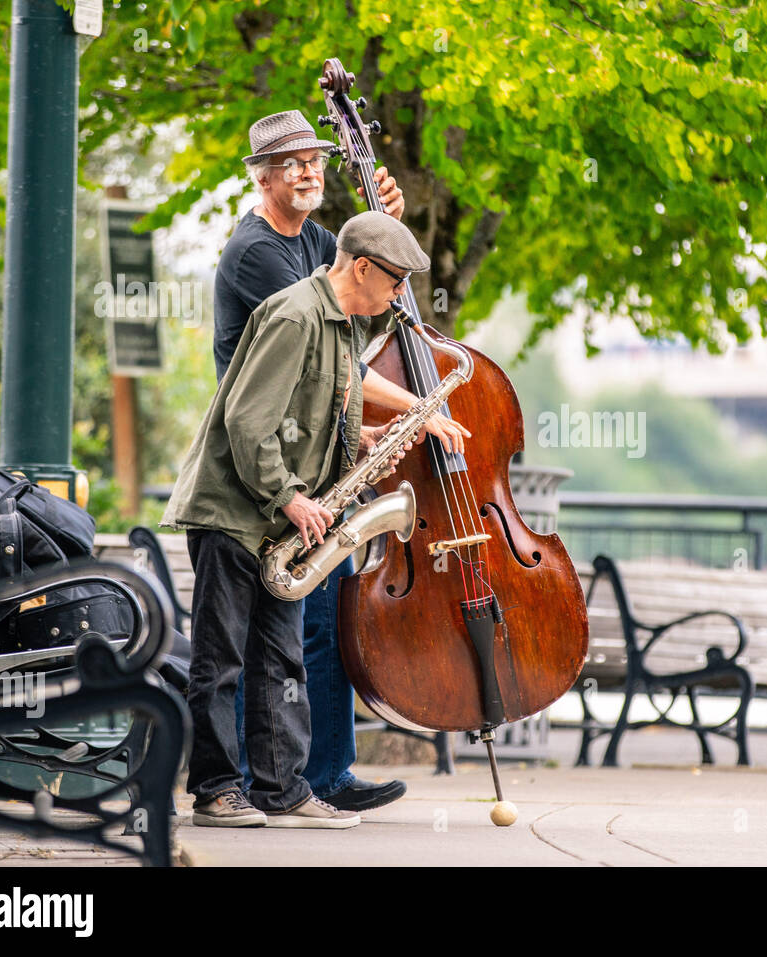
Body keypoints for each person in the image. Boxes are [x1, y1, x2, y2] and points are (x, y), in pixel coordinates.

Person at [162, 211, 457, 826]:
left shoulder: (345, 327)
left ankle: (283, 791)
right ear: (363, 267)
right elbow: (247, 421)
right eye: (397, 280)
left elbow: (311, 414)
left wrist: (367, 438)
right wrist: (291, 497)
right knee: (222, 659)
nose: (401, 294)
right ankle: (216, 792)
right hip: (237, 512)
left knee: (282, 658)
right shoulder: (296, 314)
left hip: (281, 521)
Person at [214, 110, 469, 812]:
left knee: (316, 626)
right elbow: (334, 357)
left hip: (311, 458)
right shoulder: (257, 253)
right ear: (262, 177)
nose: (307, 171)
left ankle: (316, 773)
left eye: (315, 159)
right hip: (265, 471)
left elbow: (362, 297)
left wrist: (384, 222)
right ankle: (263, 780)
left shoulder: (319, 240)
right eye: (290, 162)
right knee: (272, 637)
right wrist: (415, 409)